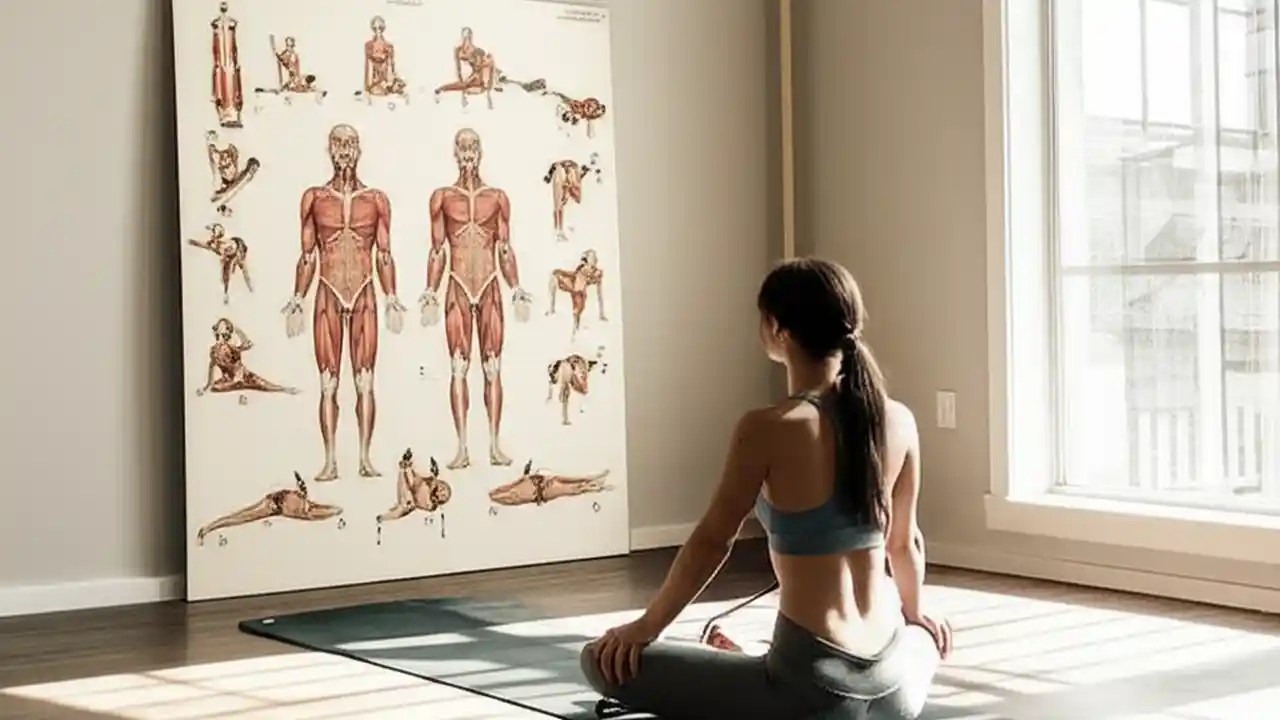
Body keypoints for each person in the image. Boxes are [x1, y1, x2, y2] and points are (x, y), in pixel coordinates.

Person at [581, 257, 950, 719]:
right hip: (895, 687)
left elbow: (713, 541)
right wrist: (917, 613)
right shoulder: (899, 419)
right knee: (925, 636)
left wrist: (646, 626)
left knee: (599, 661)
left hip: (811, 693)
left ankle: (743, 666)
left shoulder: (767, 428)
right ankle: (748, 660)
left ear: (778, 330)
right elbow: (904, 541)